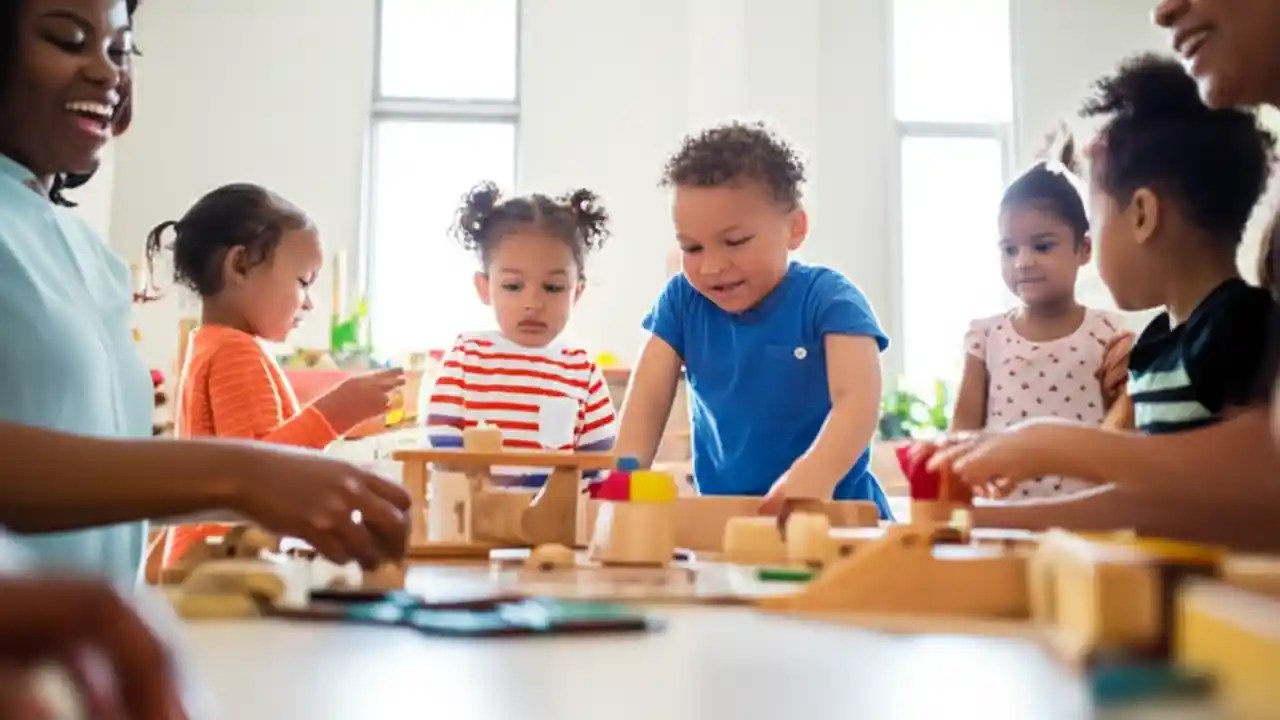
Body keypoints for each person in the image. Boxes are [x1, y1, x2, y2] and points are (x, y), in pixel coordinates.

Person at [0, 0, 409, 587]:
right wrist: (243, 474)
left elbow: (104, 484)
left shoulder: (93, 260)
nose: (108, 73)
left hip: (88, 654)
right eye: (68, 40)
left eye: (120, 51)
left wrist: (259, 482)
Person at [929, 52, 1280, 548]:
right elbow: (1140, 502)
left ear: (1141, 215)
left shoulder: (1240, 325)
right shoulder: (1157, 344)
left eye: (1093, 223)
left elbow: (1255, 473)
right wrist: (987, 519)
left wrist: (1054, 444)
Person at [616, 121, 892, 517]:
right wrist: (620, 481)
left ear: (795, 228)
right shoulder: (681, 301)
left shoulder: (829, 299)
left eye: (735, 242)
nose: (712, 266)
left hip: (835, 517)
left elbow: (858, 402)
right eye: (692, 247)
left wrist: (813, 476)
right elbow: (646, 403)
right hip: (728, 520)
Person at [149, 184, 405, 565]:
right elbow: (261, 470)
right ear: (240, 266)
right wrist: (337, 412)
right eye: (303, 281)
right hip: (223, 558)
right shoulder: (235, 352)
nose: (309, 302)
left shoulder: (210, 343)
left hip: (208, 554)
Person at [950, 138, 1131, 498]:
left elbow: (1121, 428)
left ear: (1084, 249)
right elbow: (962, 431)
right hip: (1004, 509)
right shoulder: (985, 337)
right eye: (1009, 249)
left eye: (1042, 246)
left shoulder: (1109, 333)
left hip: (1087, 511)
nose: (1023, 262)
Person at [421, 182, 617, 485]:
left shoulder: (581, 368)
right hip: (476, 516)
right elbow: (442, 438)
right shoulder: (467, 355)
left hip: (557, 524)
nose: (533, 304)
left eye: (552, 288)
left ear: (576, 292)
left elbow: (598, 459)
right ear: (485, 287)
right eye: (513, 286)